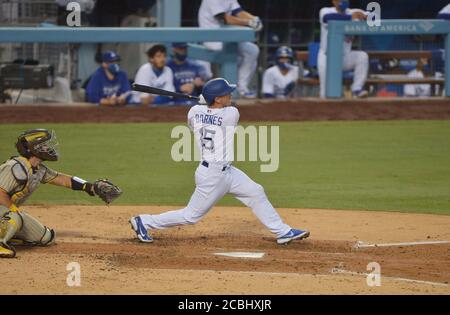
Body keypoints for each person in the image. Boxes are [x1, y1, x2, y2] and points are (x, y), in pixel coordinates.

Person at [129, 78, 310, 245]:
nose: (230, 95)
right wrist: (208, 104)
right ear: (217, 99)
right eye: (226, 93)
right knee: (191, 216)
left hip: (227, 172)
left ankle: (282, 232)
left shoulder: (194, 111)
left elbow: (196, 119)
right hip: (212, 176)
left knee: (255, 191)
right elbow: (230, 108)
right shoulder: (231, 114)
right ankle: (144, 221)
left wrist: (205, 105)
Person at [0, 129, 121, 258]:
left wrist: (89, 186)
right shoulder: (15, 167)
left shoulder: (39, 170)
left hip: (5, 212)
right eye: (45, 145)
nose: (49, 147)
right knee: (14, 217)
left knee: (46, 237)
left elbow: (62, 179)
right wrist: (14, 211)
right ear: (34, 148)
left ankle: (9, 234)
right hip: (6, 210)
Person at [198, 0, 263, 98]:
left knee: (252, 51)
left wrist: (254, 18)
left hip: (226, 36)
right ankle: (227, 90)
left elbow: (238, 12)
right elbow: (225, 19)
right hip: (212, 39)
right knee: (235, 58)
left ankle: (242, 88)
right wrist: (249, 22)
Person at [318, 0, 369, 99]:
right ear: (333, 1)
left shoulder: (354, 11)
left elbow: (374, 17)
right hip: (327, 58)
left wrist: (365, 16)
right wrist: (352, 18)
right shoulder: (326, 11)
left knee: (362, 57)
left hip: (344, 57)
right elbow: (327, 18)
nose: (342, 1)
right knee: (325, 92)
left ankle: (356, 89)